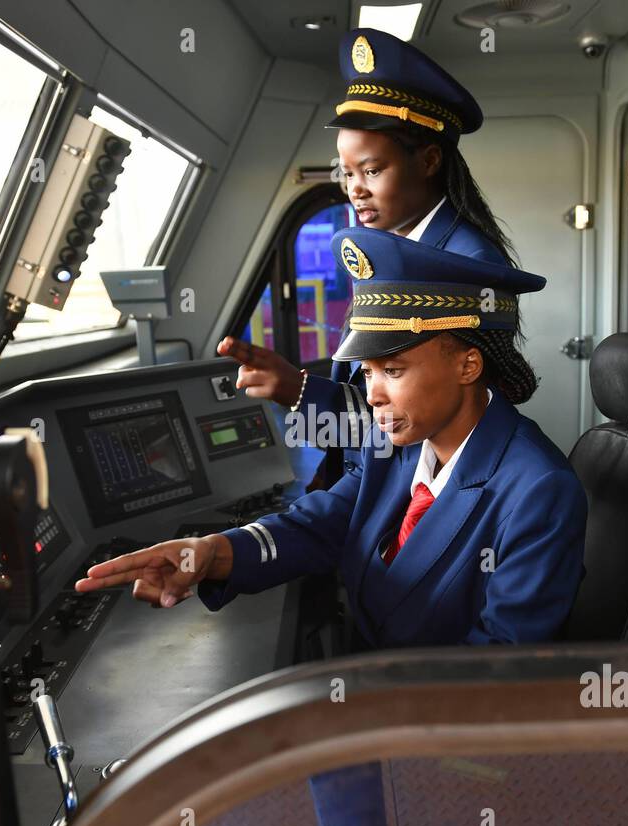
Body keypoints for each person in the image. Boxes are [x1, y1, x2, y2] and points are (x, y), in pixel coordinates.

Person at [77, 228, 587, 826]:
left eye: (392, 370)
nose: (370, 393)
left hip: (453, 743)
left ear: (467, 363)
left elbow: (500, 673)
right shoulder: (400, 443)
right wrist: (208, 551)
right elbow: (323, 522)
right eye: (369, 370)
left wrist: (355, 718)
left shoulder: (537, 488)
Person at [217, 28, 522, 486]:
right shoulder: (385, 245)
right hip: (359, 472)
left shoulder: (468, 262)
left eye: (373, 170)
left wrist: (300, 391)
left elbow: (428, 425)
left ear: (430, 160)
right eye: (347, 172)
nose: (354, 188)